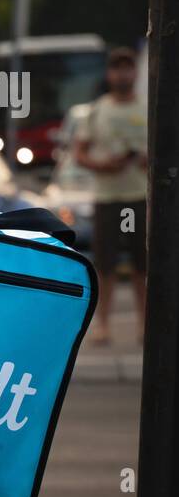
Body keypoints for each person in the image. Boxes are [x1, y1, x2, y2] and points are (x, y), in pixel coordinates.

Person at [74, 46, 148, 345]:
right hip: (107, 199)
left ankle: (145, 324)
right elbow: (79, 153)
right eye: (117, 68)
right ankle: (102, 325)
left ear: (135, 72)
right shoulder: (96, 111)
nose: (122, 73)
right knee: (104, 264)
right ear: (109, 74)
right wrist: (102, 165)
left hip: (137, 197)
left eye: (127, 67)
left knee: (141, 264)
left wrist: (147, 160)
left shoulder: (147, 108)